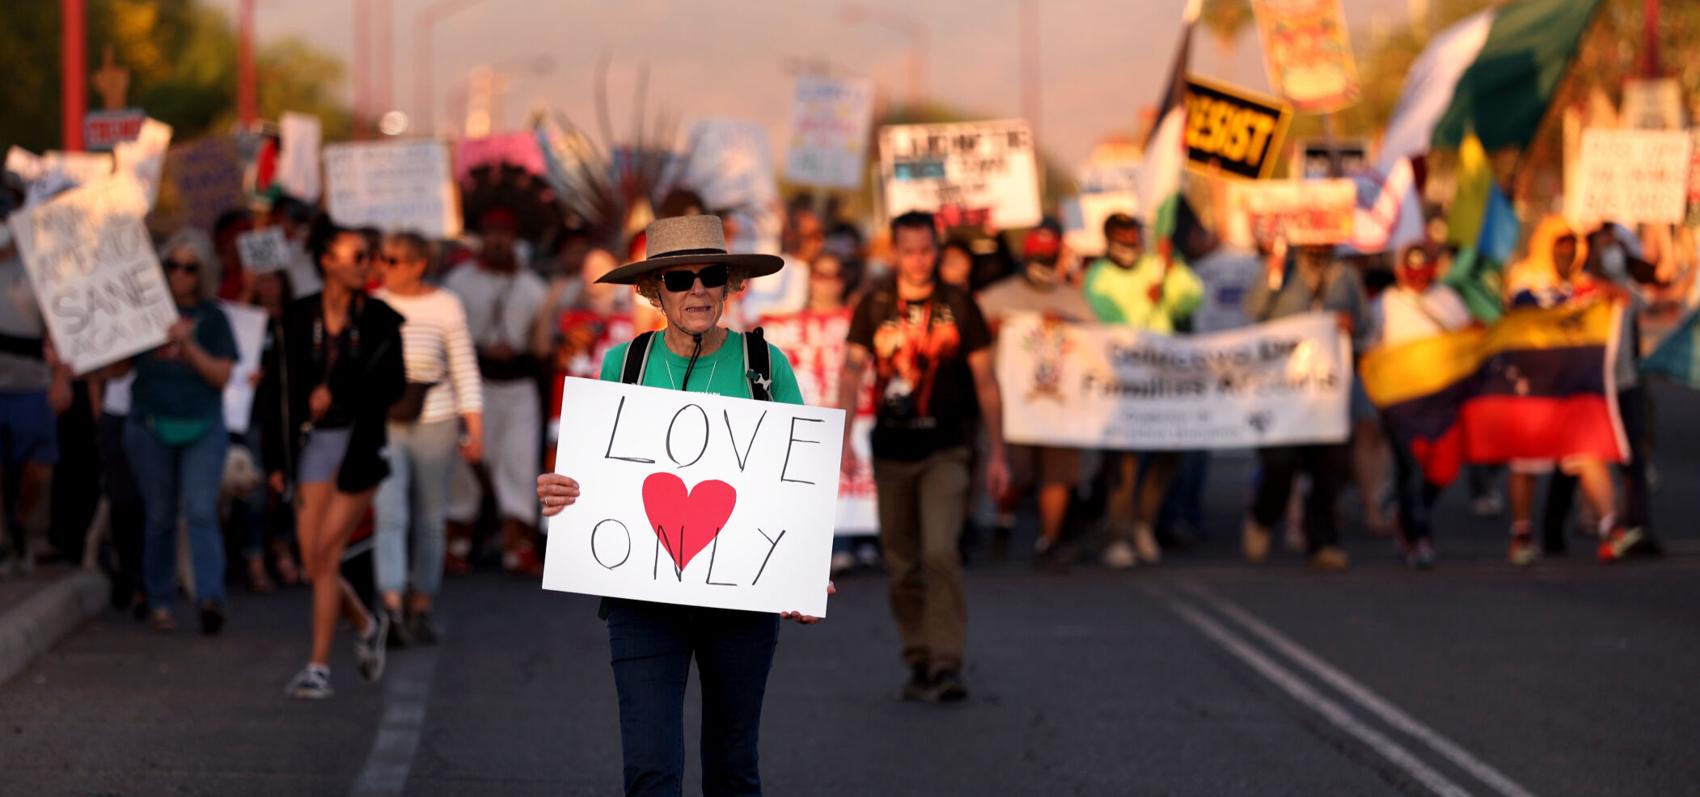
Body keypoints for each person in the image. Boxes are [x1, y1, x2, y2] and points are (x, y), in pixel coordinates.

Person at [535, 214, 829, 796]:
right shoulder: (625, 365)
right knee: (651, 772)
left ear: (730, 285)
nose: (697, 290)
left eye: (711, 275)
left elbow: (800, 481)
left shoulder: (766, 367)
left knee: (733, 771)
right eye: (679, 280)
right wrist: (562, 490)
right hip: (642, 601)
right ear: (652, 291)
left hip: (743, 601)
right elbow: (595, 473)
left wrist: (802, 570)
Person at [840, 210, 1008, 702]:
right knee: (902, 561)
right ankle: (917, 654)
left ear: (937, 250)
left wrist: (997, 452)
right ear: (894, 253)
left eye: (926, 250)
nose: (918, 260)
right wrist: (844, 436)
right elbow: (851, 373)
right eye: (908, 250)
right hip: (892, 450)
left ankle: (947, 661)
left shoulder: (960, 304)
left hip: (946, 449)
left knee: (940, 552)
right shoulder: (873, 305)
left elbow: (986, 381)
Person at [267, 216, 406, 698]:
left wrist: (340, 391)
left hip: (358, 445)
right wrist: (276, 460)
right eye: (357, 257)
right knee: (314, 563)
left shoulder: (380, 318)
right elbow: (279, 389)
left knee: (327, 553)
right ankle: (367, 625)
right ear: (327, 261)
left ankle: (318, 668)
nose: (366, 265)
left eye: (369, 256)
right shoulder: (297, 316)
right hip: (310, 446)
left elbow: (393, 386)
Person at [1500, 217, 1642, 565]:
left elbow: (1626, 300)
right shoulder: (1525, 278)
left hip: (1572, 390)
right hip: (1534, 388)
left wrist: (1606, 292)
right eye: (1558, 246)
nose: (1565, 254)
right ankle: (1521, 533)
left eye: (1571, 247)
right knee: (1527, 463)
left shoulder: (1585, 283)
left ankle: (1610, 528)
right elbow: (1524, 307)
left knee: (1588, 453)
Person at [118, 230, 238, 633]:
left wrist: (187, 345)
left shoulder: (215, 317)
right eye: (171, 266)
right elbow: (118, 369)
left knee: (202, 511)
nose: (179, 275)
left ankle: (210, 599)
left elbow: (221, 376)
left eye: (189, 268)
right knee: (160, 516)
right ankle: (160, 600)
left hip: (202, 424)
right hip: (150, 424)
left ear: (202, 274)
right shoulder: (143, 311)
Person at [372, 231, 484, 645]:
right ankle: (391, 603)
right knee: (390, 512)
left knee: (431, 518)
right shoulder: (374, 304)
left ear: (419, 264)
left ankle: (421, 602)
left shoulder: (445, 305)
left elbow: (463, 367)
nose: (385, 266)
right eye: (383, 259)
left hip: (436, 420)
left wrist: (474, 428)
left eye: (394, 259)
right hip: (385, 422)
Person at [1082, 213, 1204, 568]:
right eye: (1123, 239)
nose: (1131, 247)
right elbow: (1111, 322)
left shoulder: (1157, 265)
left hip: (1163, 376)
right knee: (1126, 462)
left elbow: (1192, 298)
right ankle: (1118, 533)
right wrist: (1147, 301)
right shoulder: (1098, 278)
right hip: (1123, 381)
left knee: (1169, 452)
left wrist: (1172, 269)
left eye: (1135, 238)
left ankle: (1144, 522)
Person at [1242, 239, 1371, 571]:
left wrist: (1350, 326)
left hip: (1326, 391)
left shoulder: (1345, 275)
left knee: (1330, 467)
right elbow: (1253, 312)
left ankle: (1323, 541)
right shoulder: (1280, 269)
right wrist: (1272, 275)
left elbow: (1366, 324)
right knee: (1280, 463)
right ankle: (1263, 516)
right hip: (1283, 390)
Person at [974, 225, 1095, 558]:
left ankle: (1049, 540)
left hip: (1061, 408)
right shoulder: (997, 297)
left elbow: (1098, 343)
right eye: (1037, 257)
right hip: (1013, 406)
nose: (1043, 263)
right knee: (1015, 473)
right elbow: (971, 338)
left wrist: (1072, 326)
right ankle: (1004, 519)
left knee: (1058, 473)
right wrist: (993, 329)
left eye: (1049, 257)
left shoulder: (1074, 300)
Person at [443, 207, 552, 576]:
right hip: (473, 384)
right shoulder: (458, 283)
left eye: (504, 235)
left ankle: (516, 548)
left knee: (518, 463)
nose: (497, 242)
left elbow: (544, 343)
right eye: (491, 234)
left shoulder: (534, 288)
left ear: (515, 240)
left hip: (519, 387)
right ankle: (455, 545)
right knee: (466, 462)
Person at [1369, 244, 1472, 568]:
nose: (1418, 282)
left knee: (1443, 470)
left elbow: (1467, 342)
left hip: (1440, 402)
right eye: (1412, 275)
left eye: (1423, 276)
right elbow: (1370, 350)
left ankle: (1410, 512)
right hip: (1399, 403)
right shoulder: (1385, 304)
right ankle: (1418, 536)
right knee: (1409, 469)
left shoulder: (1449, 301)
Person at [0, 219, 73, 576]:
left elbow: (61, 326)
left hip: (32, 384)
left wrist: (61, 378)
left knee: (37, 469)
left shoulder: (39, 268)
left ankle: (21, 522)